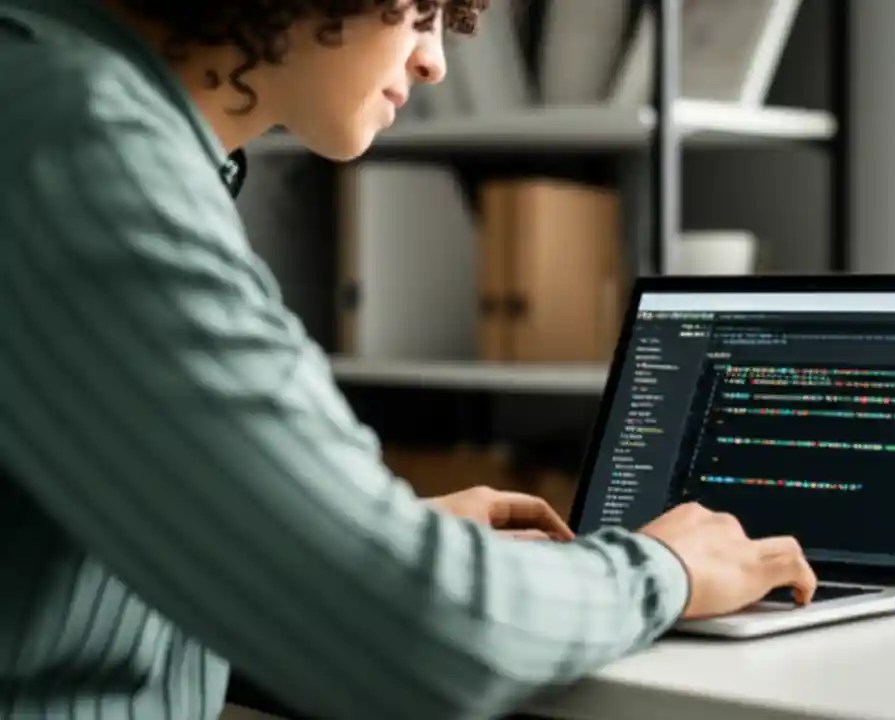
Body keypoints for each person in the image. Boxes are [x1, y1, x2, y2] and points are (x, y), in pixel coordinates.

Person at [0, 1, 818, 718]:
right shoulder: (79, 145)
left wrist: (354, 533)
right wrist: (665, 568)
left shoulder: (50, 96)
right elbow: (417, 638)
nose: (431, 60)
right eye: (421, 9)